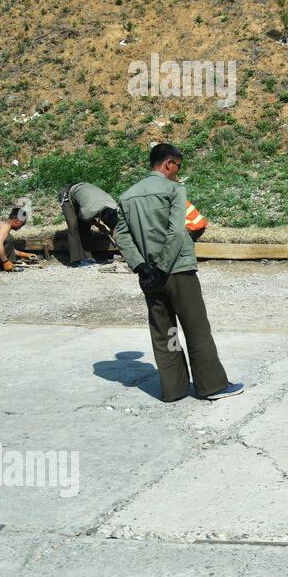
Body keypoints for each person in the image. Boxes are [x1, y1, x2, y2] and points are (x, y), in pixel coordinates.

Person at [114, 143, 243, 403]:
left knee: (166, 333)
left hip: (149, 277)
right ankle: (211, 386)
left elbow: (123, 237)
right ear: (168, 164)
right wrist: (162, 267)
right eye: (178, 167)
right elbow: (175, 232)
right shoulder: (174, 190)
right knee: (196, 329)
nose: (178, 173)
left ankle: (174, 388)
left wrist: (142, 268)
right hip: (178, 271)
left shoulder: (128, 196)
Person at [60, 182, 119, 265]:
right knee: (74, 225)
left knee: (85, 226)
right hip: (68, 194)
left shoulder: (113, 206)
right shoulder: (90, 210)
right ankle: (76, 259)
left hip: (85, 197)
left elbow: (115, 225)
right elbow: (83, 217)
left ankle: (88, 256)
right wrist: (99, 225)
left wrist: (114, 232)